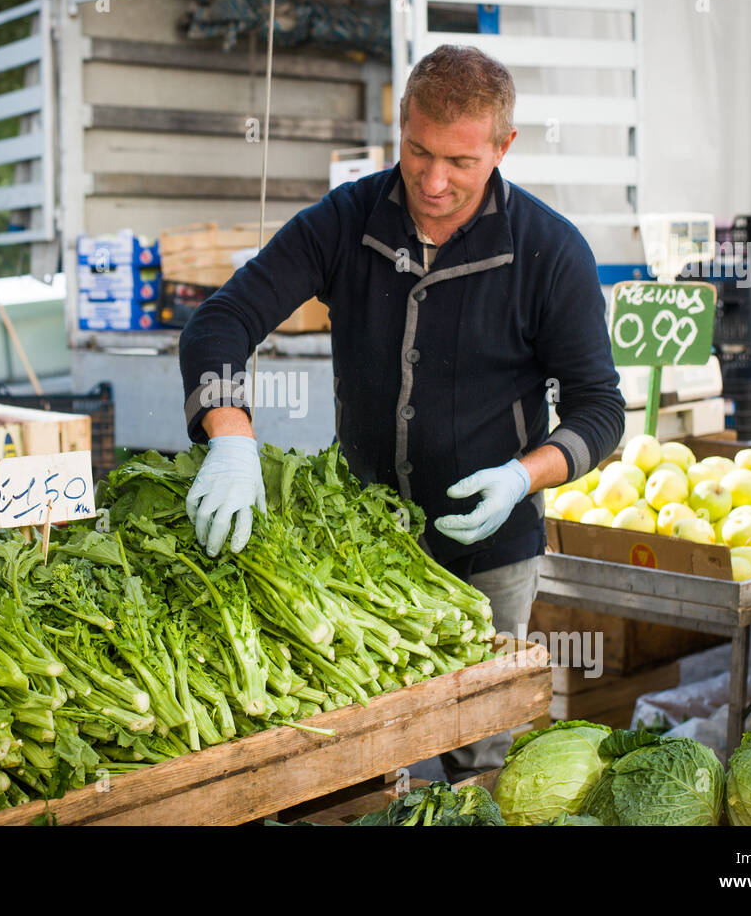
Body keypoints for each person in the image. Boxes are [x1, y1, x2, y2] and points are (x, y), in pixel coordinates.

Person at [178, 44, 625, 778]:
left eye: (461, 161)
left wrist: (522, 476)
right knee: (360, 755)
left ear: (504, 147)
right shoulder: (347, 219)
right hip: (356, 553)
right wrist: (230, 437)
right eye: (418, 151)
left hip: (490, 559)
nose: (434, 180)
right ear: (401, 124)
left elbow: (599, 407)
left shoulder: (549, 251)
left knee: (481, 760)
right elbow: (221, 320)